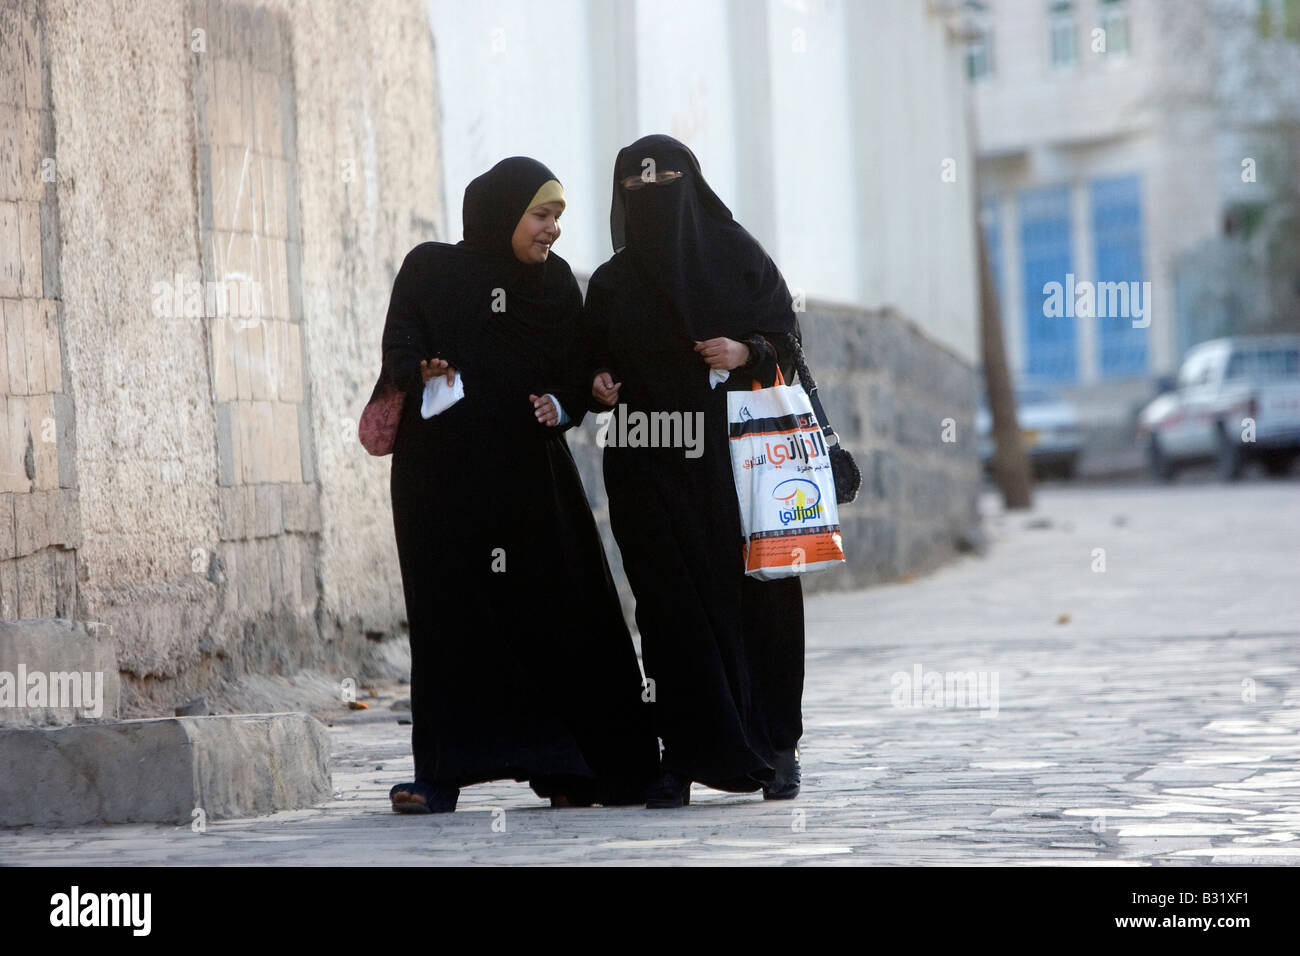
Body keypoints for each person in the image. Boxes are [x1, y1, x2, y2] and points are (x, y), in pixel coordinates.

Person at [380, 156, 658, 813]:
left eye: (558, 217)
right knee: (450, 621)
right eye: (541, 215)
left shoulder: (556, 286)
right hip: (440, 483)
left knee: (558, 613)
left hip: (529, 481)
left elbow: (577, 365)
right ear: (503, 214)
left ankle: (570, 765)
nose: (552, 230)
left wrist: (570, 400)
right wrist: (422, 369)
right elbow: (400, 342)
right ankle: (440, 775)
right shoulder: (431, 269)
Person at [580, 134, 806, 809]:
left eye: (665, 181)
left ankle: (777, 747)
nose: (651, 198)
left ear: (693, 183)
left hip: (741, 464)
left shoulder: (738, 256)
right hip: (648, 464)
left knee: (761, 597)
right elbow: (586, 361)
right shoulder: (614, 280)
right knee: (669, 606)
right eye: (635, 188)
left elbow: (788, 342)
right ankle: (682, 752)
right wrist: (596, 384)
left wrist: (746, 350)